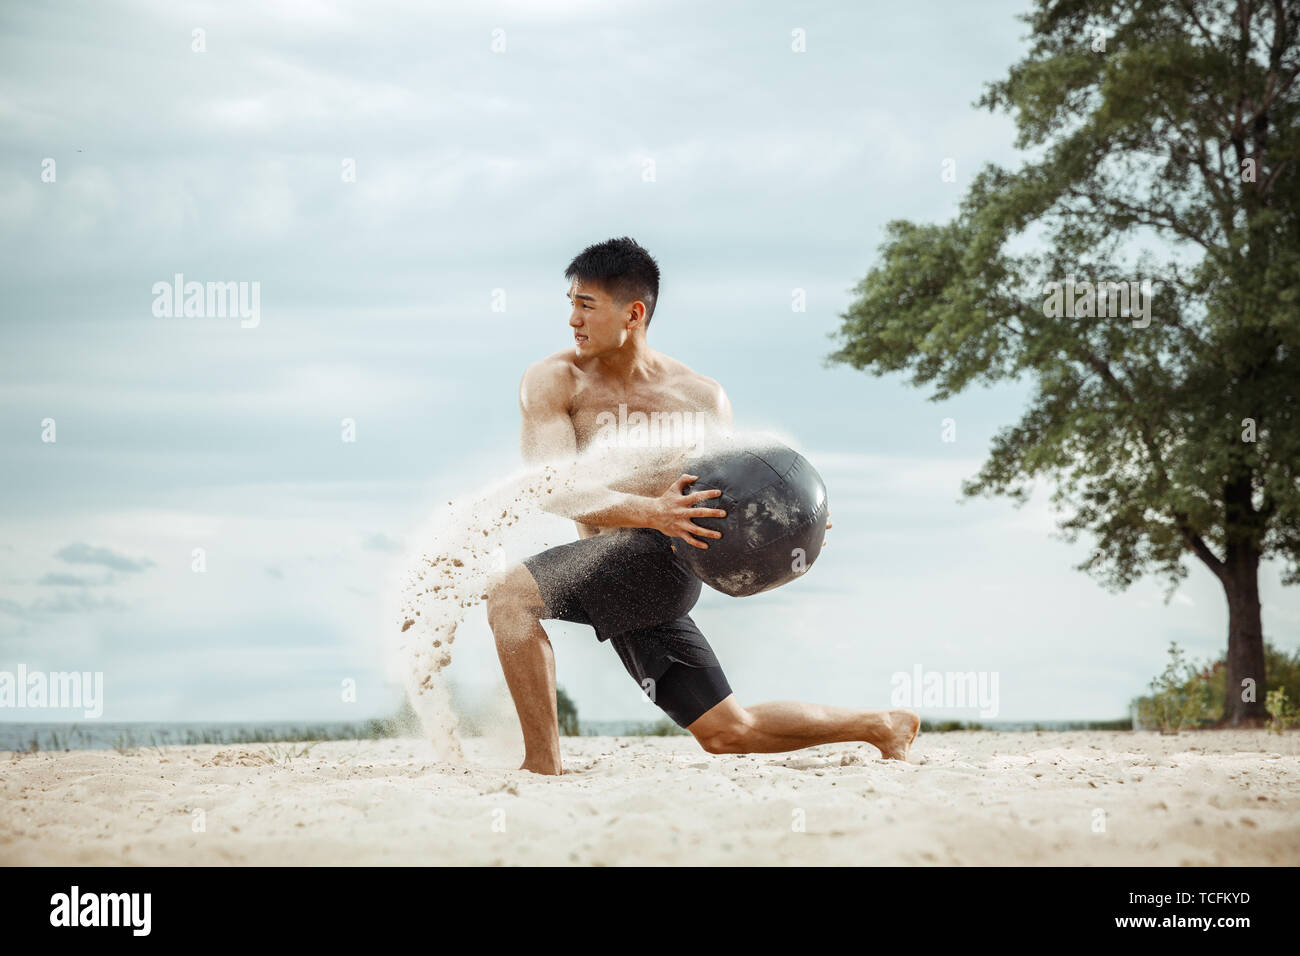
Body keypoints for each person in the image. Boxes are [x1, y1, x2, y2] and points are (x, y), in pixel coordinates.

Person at [485, 237, 919, 774]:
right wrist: (651, 510)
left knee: (509, 598)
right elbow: (549, 487)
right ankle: (881, 725)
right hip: (611, 568)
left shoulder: (699, 397)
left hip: (663, 562)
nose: (572, 318)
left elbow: (744, 486)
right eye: (570, 302)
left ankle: (541, 765)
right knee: (728, 731)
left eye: (586, 305)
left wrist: (796, 528)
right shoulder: (554, 381)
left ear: (634, 313)